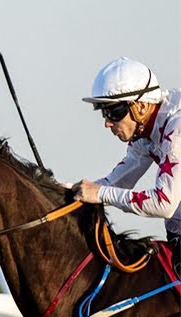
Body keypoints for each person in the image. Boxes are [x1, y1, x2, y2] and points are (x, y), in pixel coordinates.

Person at [73, 57, 179, 271]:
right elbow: (116, 184)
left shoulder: (176, 131)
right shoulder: (144, 132)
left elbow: (163, 203)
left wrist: (100, 194)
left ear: (140, 106)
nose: (107, 122)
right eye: (104, 112)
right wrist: (66, 192)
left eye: (114, 112)